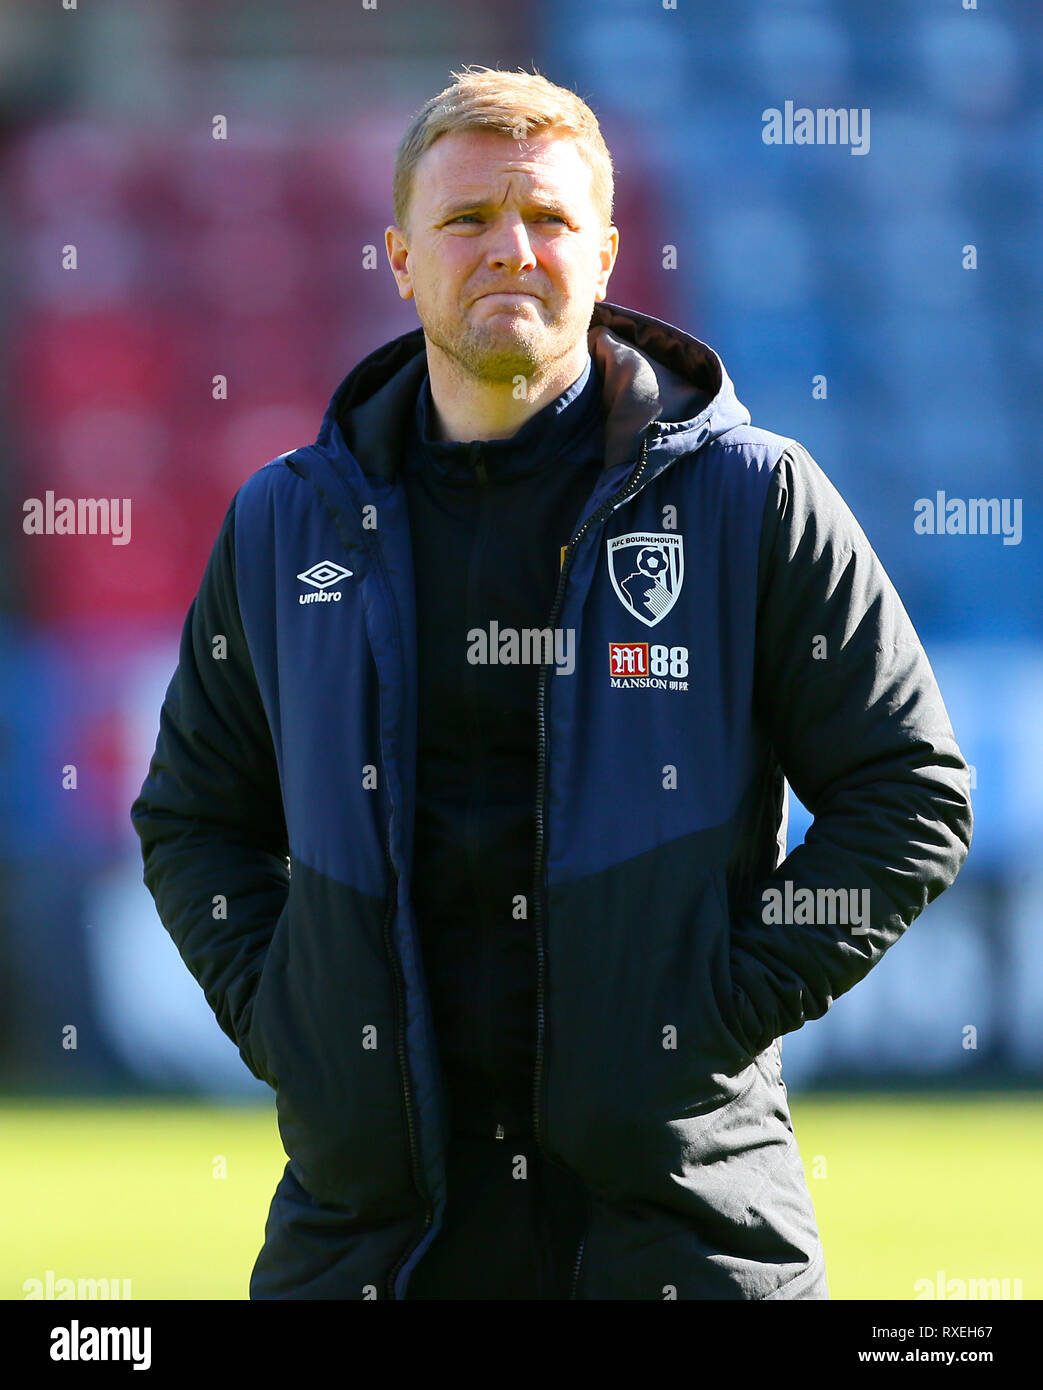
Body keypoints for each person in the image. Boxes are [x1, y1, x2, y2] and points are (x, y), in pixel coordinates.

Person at [130, 65, 973, 1300]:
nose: (509, 250)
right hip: (367, 1243)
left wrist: (719, 1009)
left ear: (607, 251)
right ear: (401, 258)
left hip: (677, 1232)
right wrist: (291, 1026)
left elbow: (908, 794)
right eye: (467, 221)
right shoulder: (283, 521)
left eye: (549, 220)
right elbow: (193, 816)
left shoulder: (750, 498)